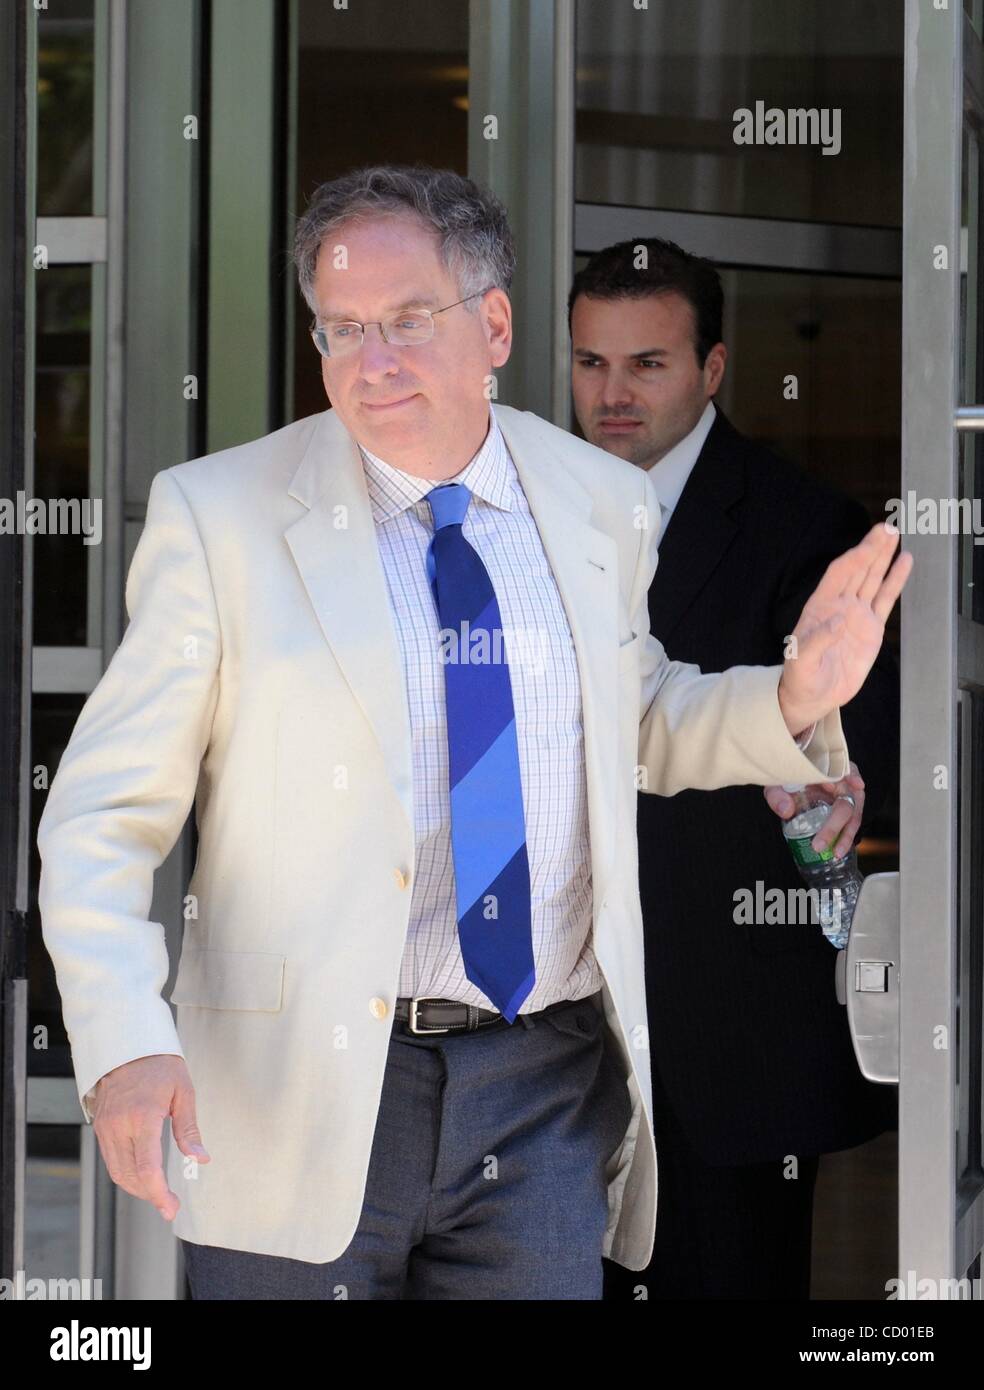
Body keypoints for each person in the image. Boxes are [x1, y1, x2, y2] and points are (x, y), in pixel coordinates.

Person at [36, 166, 911, 1301]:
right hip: (295, 1084)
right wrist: (121, 1041)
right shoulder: (223, 518)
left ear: (492, 324)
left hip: (539, 1086)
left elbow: (640, 717)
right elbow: (101, 817)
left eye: (408, 321)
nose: (373, 361)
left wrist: (794, 695)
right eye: (343, 330)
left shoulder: (598, 499)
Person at [568, 235, 900, 1300]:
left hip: (729, 1047)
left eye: (647, 364)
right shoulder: (527, 509)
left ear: (712, 369)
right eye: (590, 363)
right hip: (555, 1051)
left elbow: (861, 760)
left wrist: (821, 780)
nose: (611, 395)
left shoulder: (807, 528)